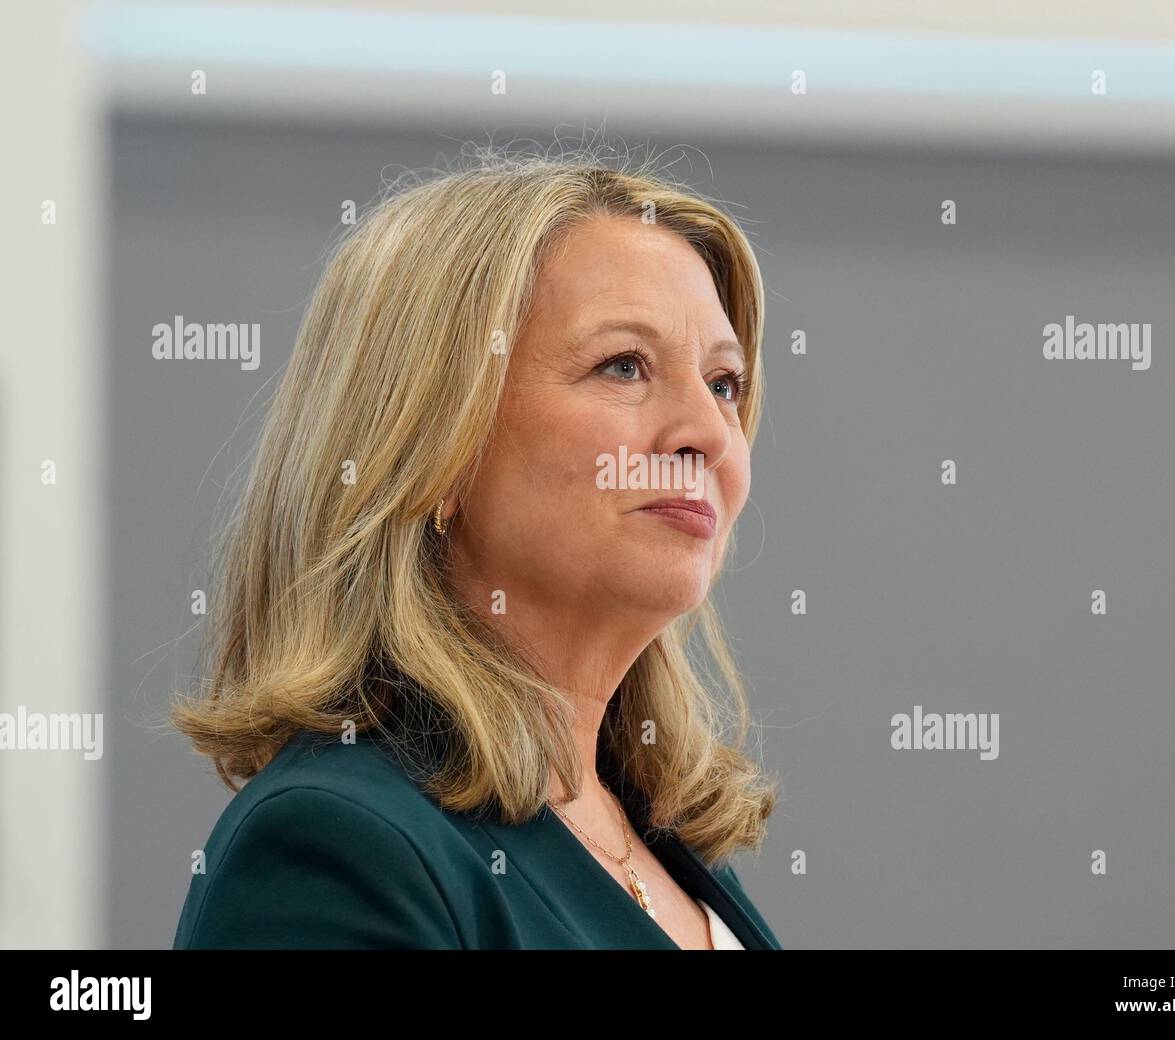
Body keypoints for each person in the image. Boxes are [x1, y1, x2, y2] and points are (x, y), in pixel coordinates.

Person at [170, 148, 782, 950]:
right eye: (624, 366)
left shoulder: (672, 847)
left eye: (724, 382)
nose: (708, 433)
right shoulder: (337, 847)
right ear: (433, 448)